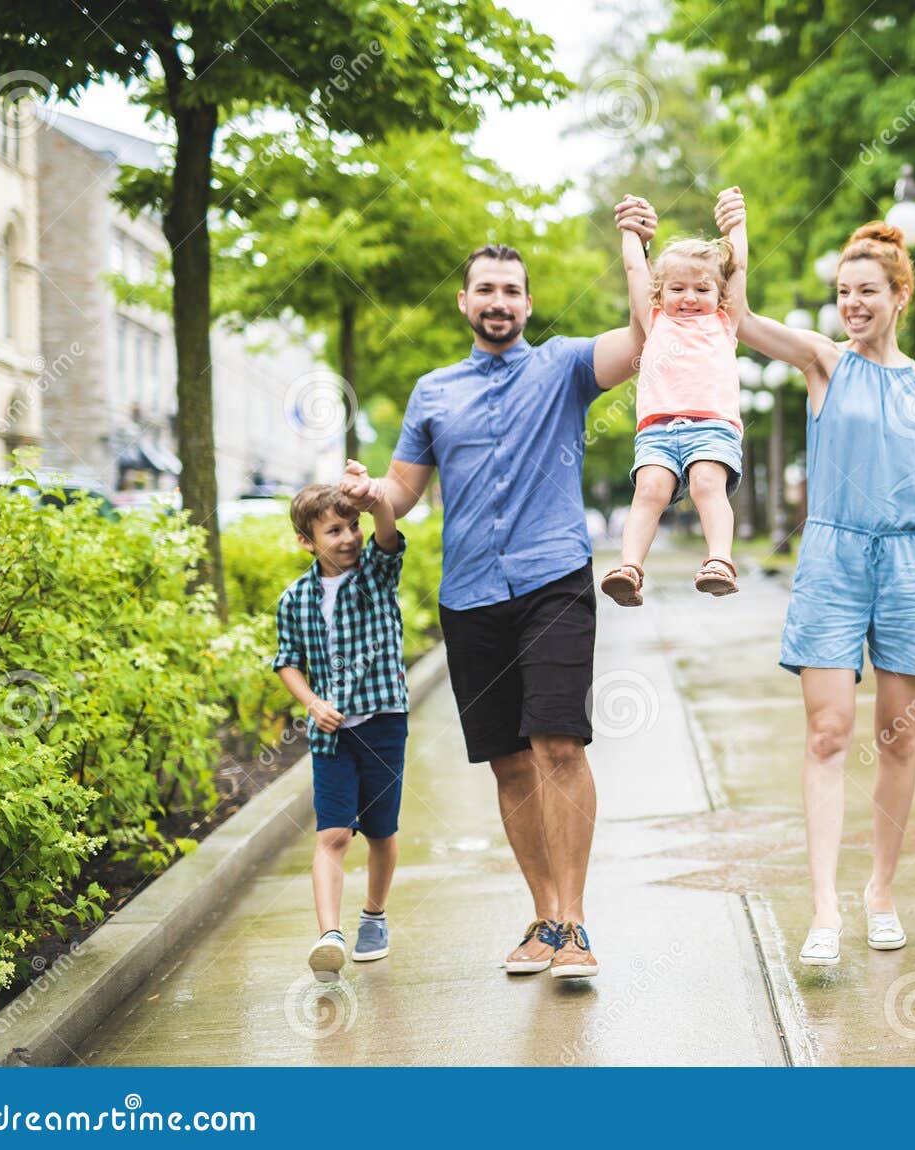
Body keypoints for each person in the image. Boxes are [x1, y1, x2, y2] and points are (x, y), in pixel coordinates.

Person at [339, 196, 658, 981]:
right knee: (511, 763)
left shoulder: (564, 365)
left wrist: (632, 248)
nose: (499, 303)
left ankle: (576, 924)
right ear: (464, 301)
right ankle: (545, 917)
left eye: (512, 291)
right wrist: (366, 490)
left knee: (558, 742)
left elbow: (648, 340)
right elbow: (403, 493)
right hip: (470, 593)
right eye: (486, 290)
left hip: (553, 579)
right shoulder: (432, 392)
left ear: (527, 302)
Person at [714, 187, 915, 966]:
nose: (850, 305)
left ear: (899, 295)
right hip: (833, 556)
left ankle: (879, 891)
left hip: (911, 560)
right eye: (843, 293)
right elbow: (743, 323)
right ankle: (824, 910)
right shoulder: (823, 362)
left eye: (865, 293)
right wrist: (738, 244)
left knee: (898, 735)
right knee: (828, 732)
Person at [273, 470, 409, 980]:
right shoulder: (294, 600)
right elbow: (287, 660)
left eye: (352, 526)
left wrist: (373, 499)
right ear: (306, 542)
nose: (349, 537)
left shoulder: (376, 574)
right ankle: (329, 934)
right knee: (332, 833)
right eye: (334, 530)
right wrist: (310, 702)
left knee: (380, 831)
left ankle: (373, 916)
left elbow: (387, 532)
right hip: (331, 736)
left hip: (382, 723)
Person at [599, 215, 749, 605]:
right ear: (659, 293)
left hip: (712, 426)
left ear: (720, 295)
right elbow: (634, 267)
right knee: (649, 490)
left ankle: (719, 560)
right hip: (657, 430)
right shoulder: (655, 321)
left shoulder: (723, 323)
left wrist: (737, 223)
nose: (689, 297)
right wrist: (630, 231)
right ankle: (629, 568)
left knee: (705, 483)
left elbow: (741, 266)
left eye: (702, 288)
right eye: (677, 288)